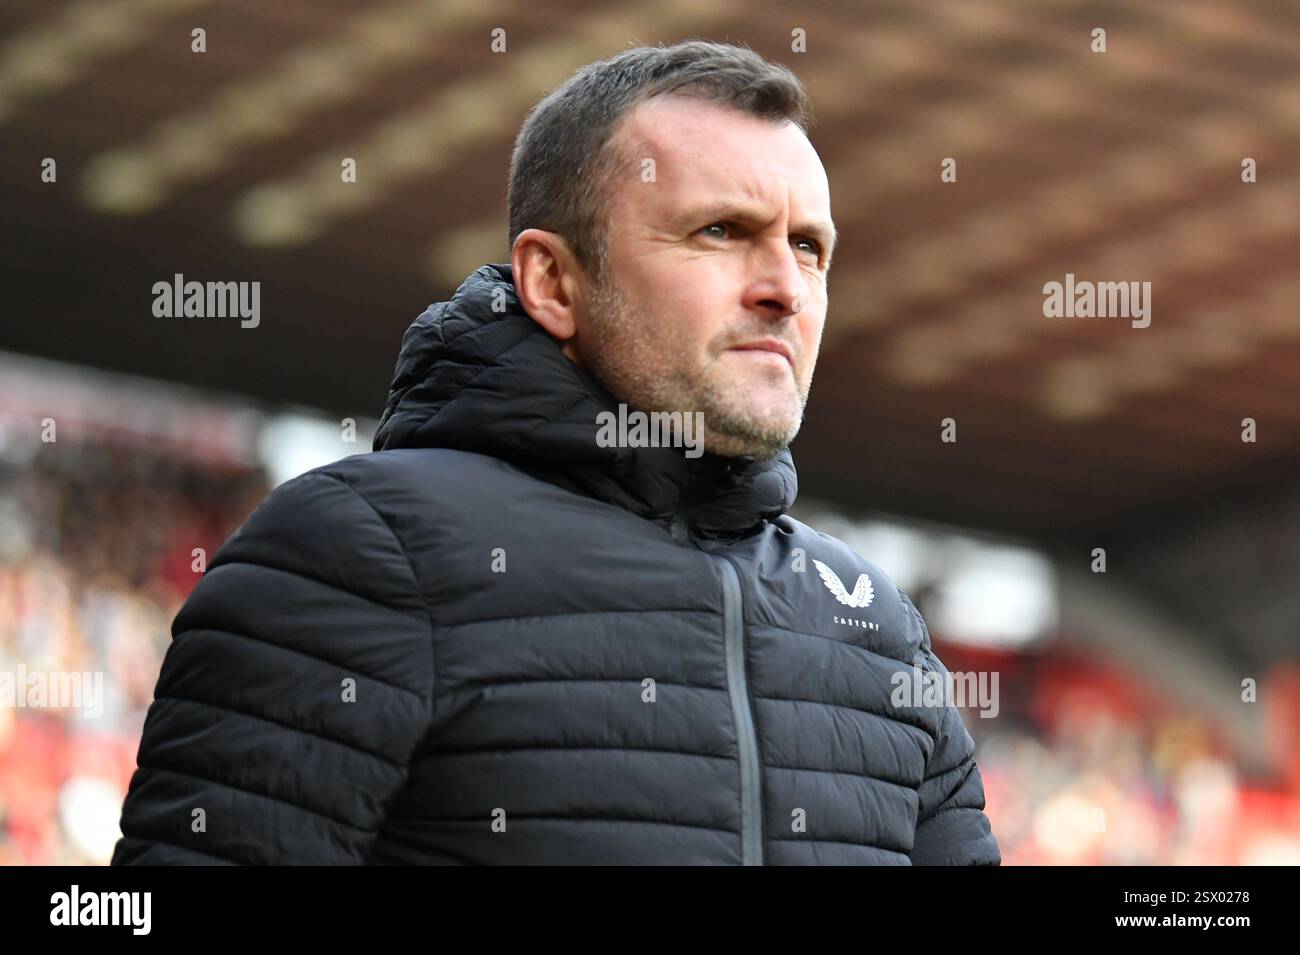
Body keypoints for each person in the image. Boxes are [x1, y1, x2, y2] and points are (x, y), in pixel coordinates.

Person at [112, 39, 999, 866]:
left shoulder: (876, 629)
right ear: (552, 281)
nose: (786, 290)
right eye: (722, 231)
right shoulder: (356, 552)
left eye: (808, 247)